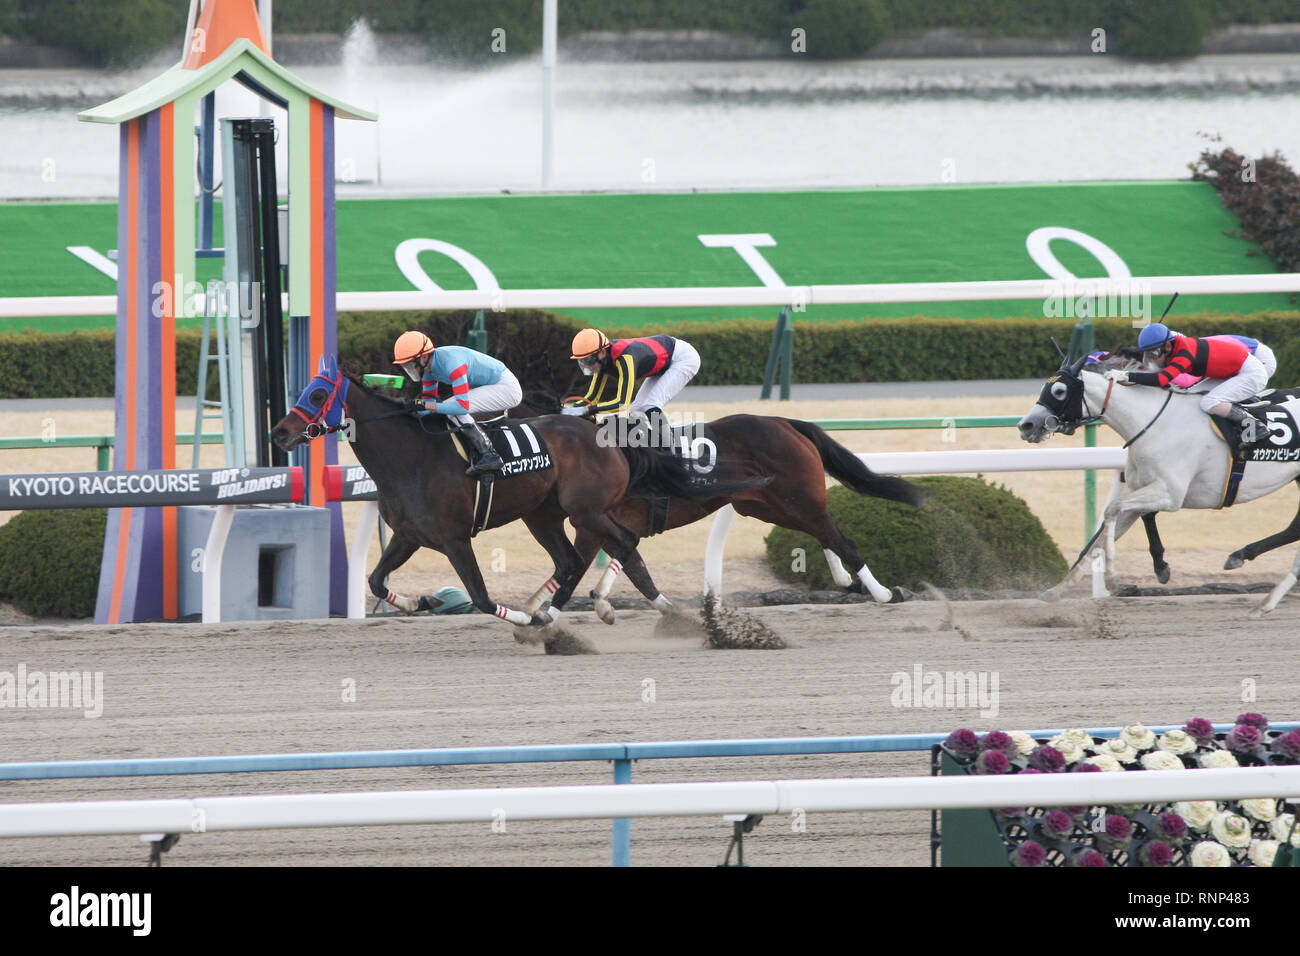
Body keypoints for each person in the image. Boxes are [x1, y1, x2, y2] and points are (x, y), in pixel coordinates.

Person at [392, 331, 523, 476]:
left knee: (452, 408)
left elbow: (461, 407)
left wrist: (425, 405)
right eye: (406, 366)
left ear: (423, 357)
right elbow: (427, 406)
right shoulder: (428, 371)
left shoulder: (452, 364)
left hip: (506, 388)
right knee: (446, 406)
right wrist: (408, 408)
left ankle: (490, 455)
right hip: (488, 386)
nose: (409, 370)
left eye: (410, 365)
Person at [1108, 323, 1270, 438]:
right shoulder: (1176, 345)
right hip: (1234, 372)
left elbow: (1162, 379)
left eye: (1155, 354)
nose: (1153, 360)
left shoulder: (1184, 354)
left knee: (1209, 403)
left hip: (1250, 373)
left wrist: (1127, 375)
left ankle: (1255, 425)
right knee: (1190, 398)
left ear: (1168, 347)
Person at [563, 329, 700, 421]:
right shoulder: (602, 361)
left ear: (602, 352)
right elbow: (591, 398)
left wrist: (587, 410)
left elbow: (622, 404)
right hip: (664, 362)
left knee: (651, 404)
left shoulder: (625, 357)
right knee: (636, 410)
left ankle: (670, 451)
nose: (588, 366)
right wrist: (567, 409)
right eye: (583, 361)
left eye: (589, 360)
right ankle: (647, 447)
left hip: (683, 357)